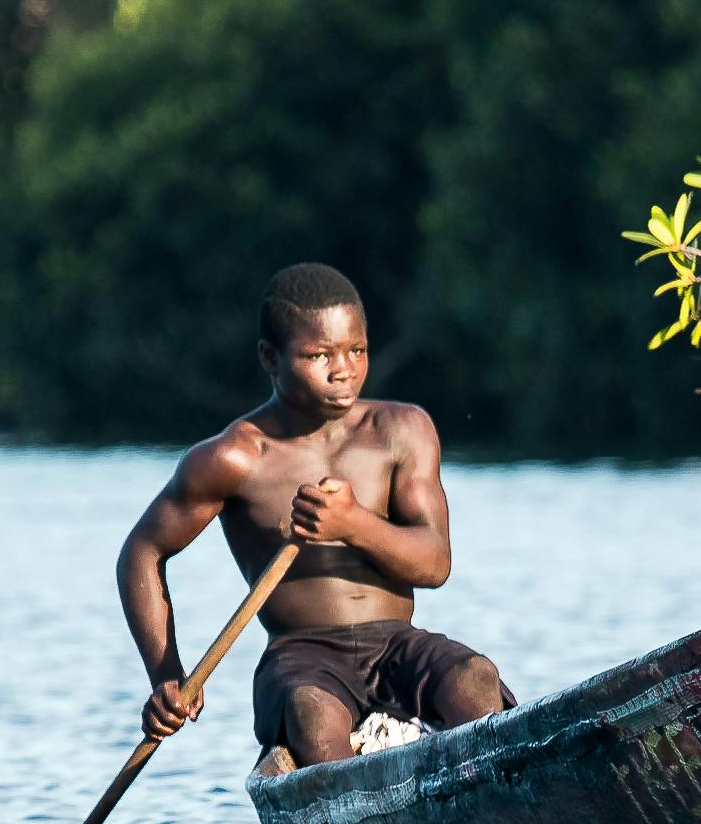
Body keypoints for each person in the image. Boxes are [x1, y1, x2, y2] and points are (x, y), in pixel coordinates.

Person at [115, 262, 511, 772]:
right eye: (319, 355)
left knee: (475, 677)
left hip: (397, 642)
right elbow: (142, 552)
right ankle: (360, 818)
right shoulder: (236, 457)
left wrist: (353, 524)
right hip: (301, 657)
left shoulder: (402, 431)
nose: (342, 368)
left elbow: (435, 566)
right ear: (270, 358)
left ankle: (499, 796)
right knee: (312, 714)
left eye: (357, 351)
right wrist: (166, 674)